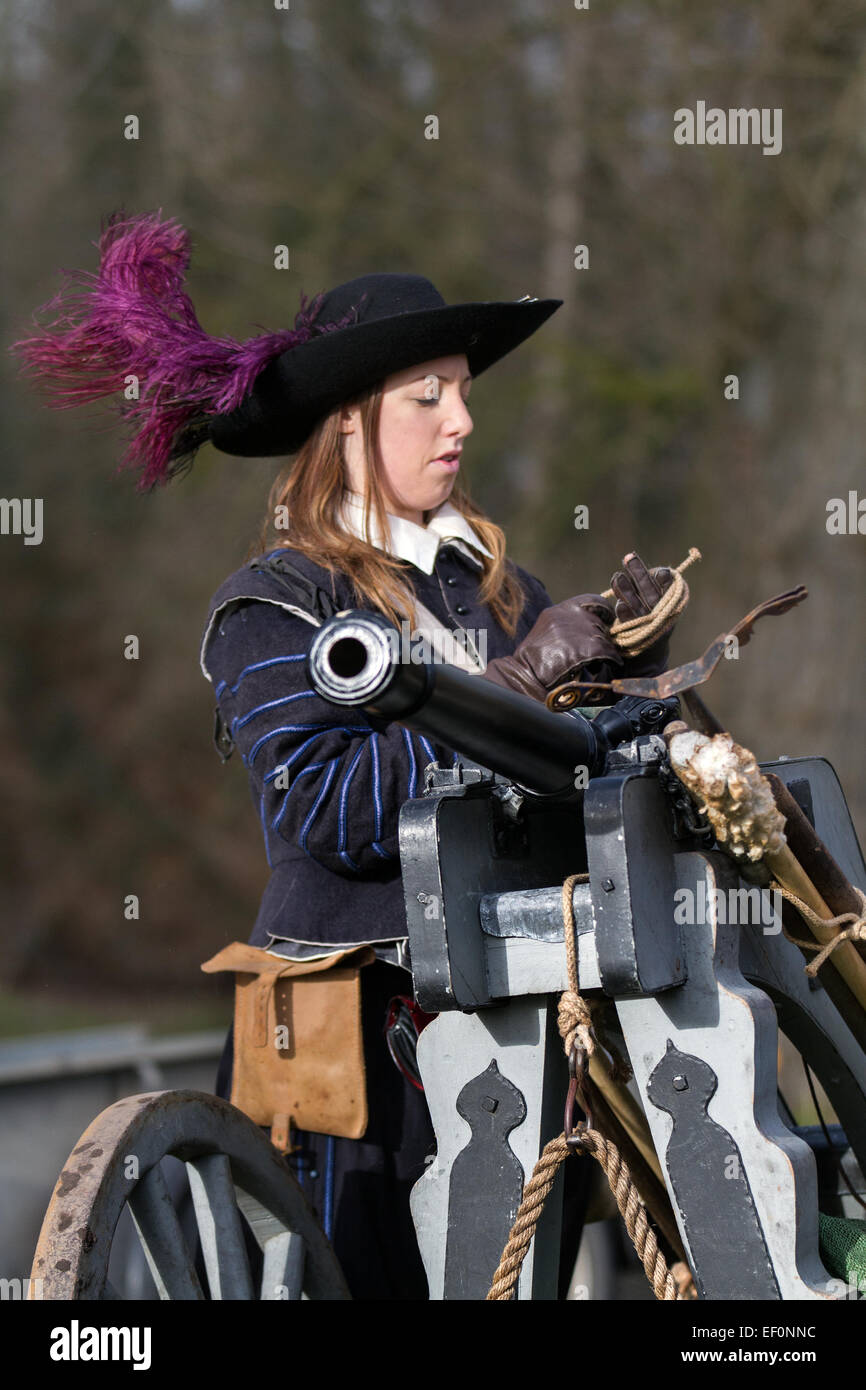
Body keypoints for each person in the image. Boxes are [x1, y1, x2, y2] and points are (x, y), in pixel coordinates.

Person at [13, 211, 675, 1300]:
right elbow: (334, 806)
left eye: (463, 390)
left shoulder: (504, 593)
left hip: (526, 1030)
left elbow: (576, 780)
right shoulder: (272, 606)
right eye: (428, 393)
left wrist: (634, 680)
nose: (460, 420)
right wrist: (514, 688)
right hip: (356, 1053)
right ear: (346, 425)